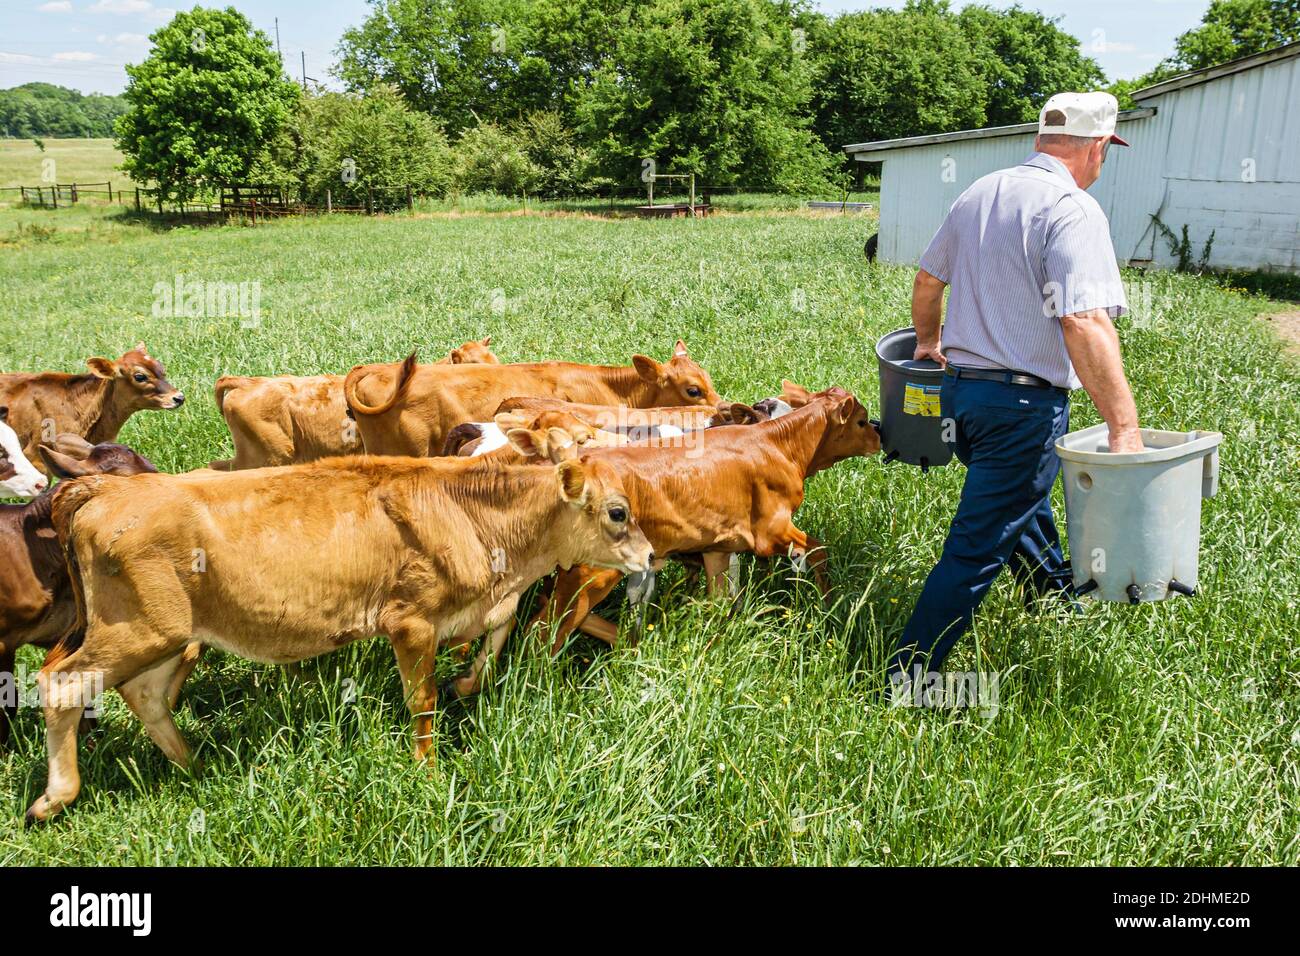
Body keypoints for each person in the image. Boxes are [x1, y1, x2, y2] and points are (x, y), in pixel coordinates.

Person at [888, 91, 1143, 684]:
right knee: (977, 547)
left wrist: (928, 342)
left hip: (963, 398)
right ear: (1097, 146)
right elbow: (1084, 320)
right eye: (1107, 152)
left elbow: (929, 279)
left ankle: (1055, 600)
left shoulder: (981, 192)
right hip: (1022, 404)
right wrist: (1124, 428)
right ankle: (909, 679)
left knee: (1018, 504)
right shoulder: (1073, 209)